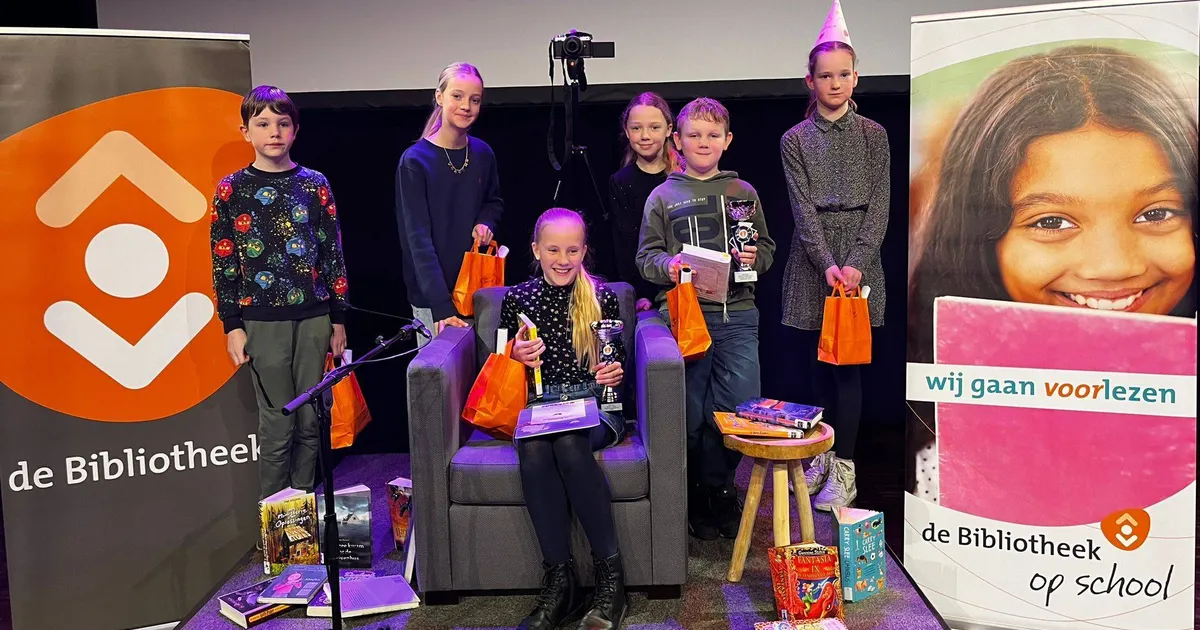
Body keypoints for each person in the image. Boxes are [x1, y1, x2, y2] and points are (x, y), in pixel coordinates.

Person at [906, 44, 1197, 500]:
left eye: (1156, 213)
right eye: (1051, 222)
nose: (1113, 265)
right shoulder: (938, 434)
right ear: (981, 243)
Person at [636, 97, 775, 541]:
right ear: (677, 140)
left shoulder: (743, 193)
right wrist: (669, 267)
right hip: (685, 318)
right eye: (693, 135)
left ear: (727, 141)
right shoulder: (663, 195)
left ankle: (720, 488)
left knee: (738, 411)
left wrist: (755, 257)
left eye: (713, 135)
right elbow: (646, 257)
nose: (703, 142)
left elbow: (767, 250)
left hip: (738, 316)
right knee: (691, 413)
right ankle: (697, 492)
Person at [210, 85, 350, 500]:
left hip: (314, 317)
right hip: (261, 320)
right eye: (263, 123)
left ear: (295, 130)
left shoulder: (314, 184)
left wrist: (338, 317)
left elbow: (332, 252)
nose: (274, 132)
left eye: (283, 123)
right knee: (276, 422)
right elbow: (224, 260)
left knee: (311, 418)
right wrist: (232, 325)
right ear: (246, 132)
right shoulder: (232, 189)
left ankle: (302, 516)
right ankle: (274, 525)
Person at [780, 0, 890, 512]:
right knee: (817, 367)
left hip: (860, 260)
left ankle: (844, 467)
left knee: (848, 368)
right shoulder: (794, 140)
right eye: (825, 76)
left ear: (855, 77)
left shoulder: (874, 136)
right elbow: (802, 209)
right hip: (813, 261)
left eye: (843, 74)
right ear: (811, 81)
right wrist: (826, 263)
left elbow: (882, 204)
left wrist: (858, 261)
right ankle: (819, 456)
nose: (835, 83)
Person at [502, 208, 628, 630]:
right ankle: (561, 581)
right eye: (553, 249)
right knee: (535, 447)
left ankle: (611, 579)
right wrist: (513, 356)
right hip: (540, 407)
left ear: (584, 252)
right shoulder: (516, 299)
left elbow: (615, 361)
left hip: (593, 405)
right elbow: (497, 364)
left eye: (572, 250)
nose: (562, 258)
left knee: (571, 442)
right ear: (536, 250)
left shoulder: (601, 296)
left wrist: (613, 370)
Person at [396, 62, 504, 346]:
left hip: (477, 292)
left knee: (481, 385)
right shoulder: (415, 160)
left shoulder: (482, 153)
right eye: (457, 96)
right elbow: (417, 239)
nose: (466, 106)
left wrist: (485, 222)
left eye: (475, 99)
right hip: (435, 301)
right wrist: (440, 307)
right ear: (439, 97)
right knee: (438, 387)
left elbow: (494, 201)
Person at [608, 92, 683, 312]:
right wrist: (639, 294)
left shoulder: (685, 175)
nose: (645, 135)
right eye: (636, 128)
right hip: (647, 295)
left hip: (687, 283)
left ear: (669, 129)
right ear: (626, 131)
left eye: (654, 127)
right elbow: (626, 243)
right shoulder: (621, 181)